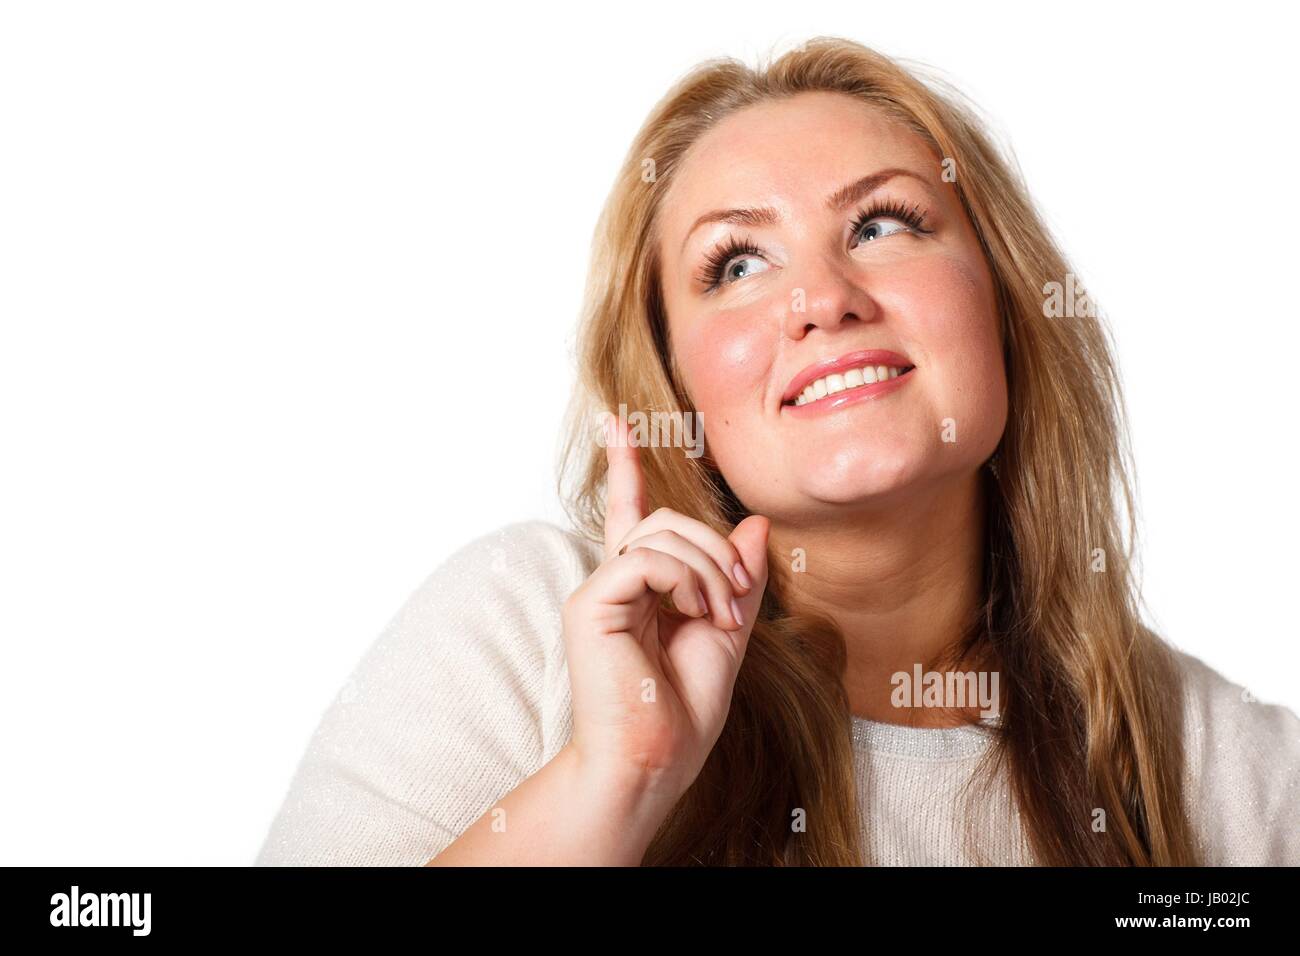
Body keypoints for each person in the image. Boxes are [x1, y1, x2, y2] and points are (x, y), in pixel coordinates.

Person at [255, 37, 1300, 866]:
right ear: (674, 385)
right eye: (737, 261)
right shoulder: (522, 627)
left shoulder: (1231, 773)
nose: (823, 301)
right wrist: (611, 782)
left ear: (1009, 307)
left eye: (885, 223)